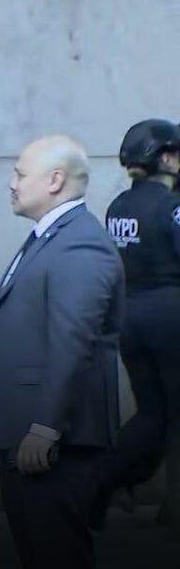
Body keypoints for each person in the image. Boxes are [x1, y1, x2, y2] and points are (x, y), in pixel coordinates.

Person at [0, 135, 123, 569]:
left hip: (55, 441)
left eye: (20, 173)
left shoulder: (80, 244)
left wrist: (46, 426)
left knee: (57, 554)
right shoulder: (49, 237)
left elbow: (73, 342)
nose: (12, 184)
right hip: (27, 433)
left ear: (55, 180)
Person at [91, 119, 180, 533]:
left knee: (152, 414)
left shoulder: (118, 207)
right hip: (170, 316)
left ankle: (102, 483)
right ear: (164, 157)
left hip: (131, 317)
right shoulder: (172, 206)